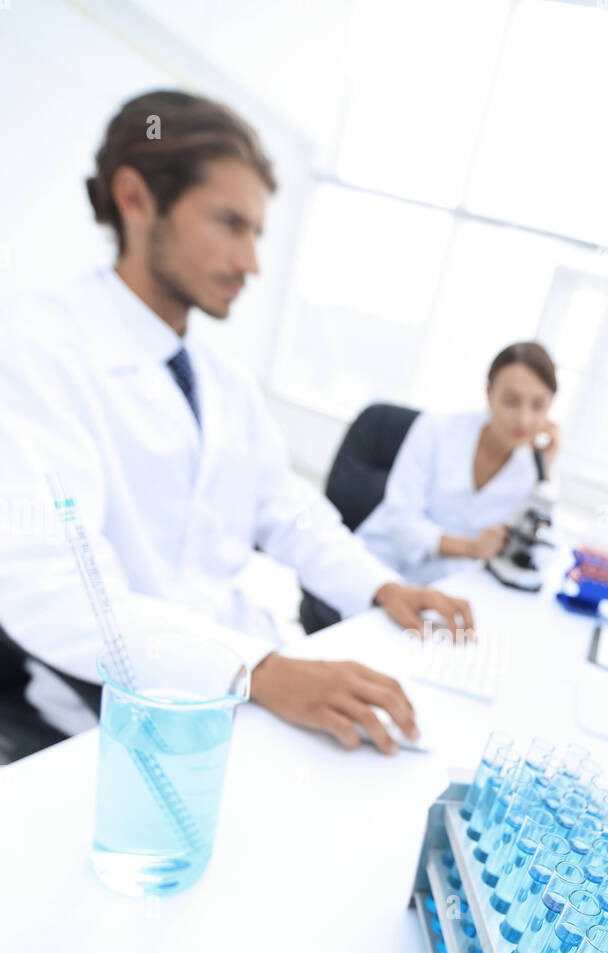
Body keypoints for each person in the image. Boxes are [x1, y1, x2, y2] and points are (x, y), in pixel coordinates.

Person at [0, 91, 474, 758]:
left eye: (256, 233)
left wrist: (380, 585)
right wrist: (257, 671)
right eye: (230, 224)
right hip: (110, 719)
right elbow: (61, 591)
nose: (251, 262)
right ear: (135, 199)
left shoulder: (220, 382)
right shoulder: (35, 353)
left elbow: (288, 511)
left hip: (241, 682)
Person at [356, 342, 560, 584]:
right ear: (489, 395)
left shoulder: (536, 468)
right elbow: (400, 521)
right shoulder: (436, 429)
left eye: (538, 405)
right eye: (511, 401)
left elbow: (540, 554)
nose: (524, 420)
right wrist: (470, 548)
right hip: (378, 566)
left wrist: (545, 471)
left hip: (447, 585)